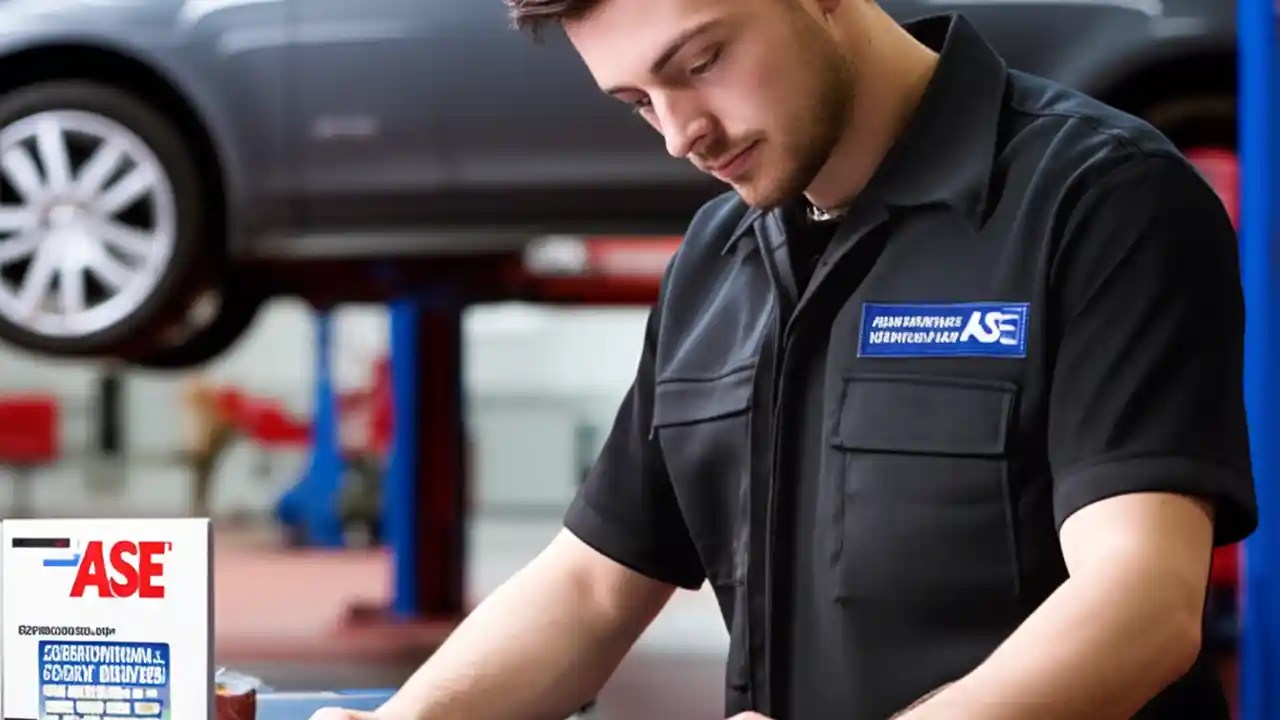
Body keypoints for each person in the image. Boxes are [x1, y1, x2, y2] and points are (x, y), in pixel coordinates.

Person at [311, 0, 1258, 717]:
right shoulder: (716, 262)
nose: (685, 133)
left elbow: (1139, 603)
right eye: (641, 101)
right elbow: (593, 586)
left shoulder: (1099, 202)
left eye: (703, 61)